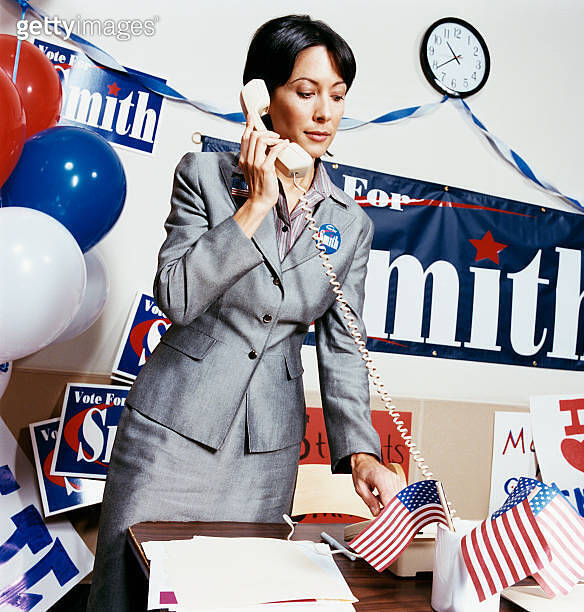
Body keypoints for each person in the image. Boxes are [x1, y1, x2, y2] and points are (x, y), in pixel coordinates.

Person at [86, 14, 402, 612]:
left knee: (243, 599)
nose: (324, 114)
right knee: (128, 596)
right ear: (261, 96)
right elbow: (176, 297)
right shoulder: (204, 176)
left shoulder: (348, 222)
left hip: (266, 452)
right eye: (305, 93)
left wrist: (361, 455)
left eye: (337, 97)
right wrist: (254, 204)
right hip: (170, 438)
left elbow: (344, 348)